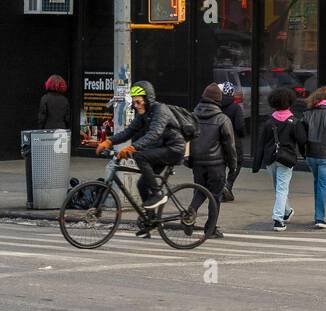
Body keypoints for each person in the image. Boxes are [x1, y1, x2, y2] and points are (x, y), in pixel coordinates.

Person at [95, 80, 185, 215]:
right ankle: (150, 220)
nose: (136, 105)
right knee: (142, 184)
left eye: (138, 102)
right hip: (161, 149)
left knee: (139, 155)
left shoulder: (160, 110)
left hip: (173, 149)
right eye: (134, 102)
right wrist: (109, 141)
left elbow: (154, 134)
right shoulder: (144, 113)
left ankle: (158, 194)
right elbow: (129, 131)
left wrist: (132, 148)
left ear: (148, 99)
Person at [189, 84, 237, 239]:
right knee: (215, 196)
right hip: (216, 164)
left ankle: (190, 213)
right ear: (218, 100)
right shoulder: (222, 119)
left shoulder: (192, 116)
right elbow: (229, 145)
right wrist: (233, 164)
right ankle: (210, 229)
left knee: (200, 190)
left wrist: (189, 160)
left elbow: (186, 139)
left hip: (197, 163)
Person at [296, 86, 326, 229]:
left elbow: (301, 137)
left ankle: (318, 215)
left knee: (317, 183)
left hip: (311, 155)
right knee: (322, 186)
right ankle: (320, 218)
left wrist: (304, 153)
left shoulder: (307, 114)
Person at [251, 87, 299, 231]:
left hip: (270, 159)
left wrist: (256, 164)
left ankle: (287, 211)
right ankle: (278, 219)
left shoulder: (268, 122)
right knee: (282, 188)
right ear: (290, 102)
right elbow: (302, 139)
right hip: (286, 159)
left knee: (279, 188)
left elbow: (261, 144)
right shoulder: (293, 121)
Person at [218, 81, 247, 201]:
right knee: (236, 163)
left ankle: (221, 188)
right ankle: (228, 184)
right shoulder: (235, 108)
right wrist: (242, 134)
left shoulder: (216, 106)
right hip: (233, 141)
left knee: (220, 164)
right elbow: (240, 126)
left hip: (217, 141)